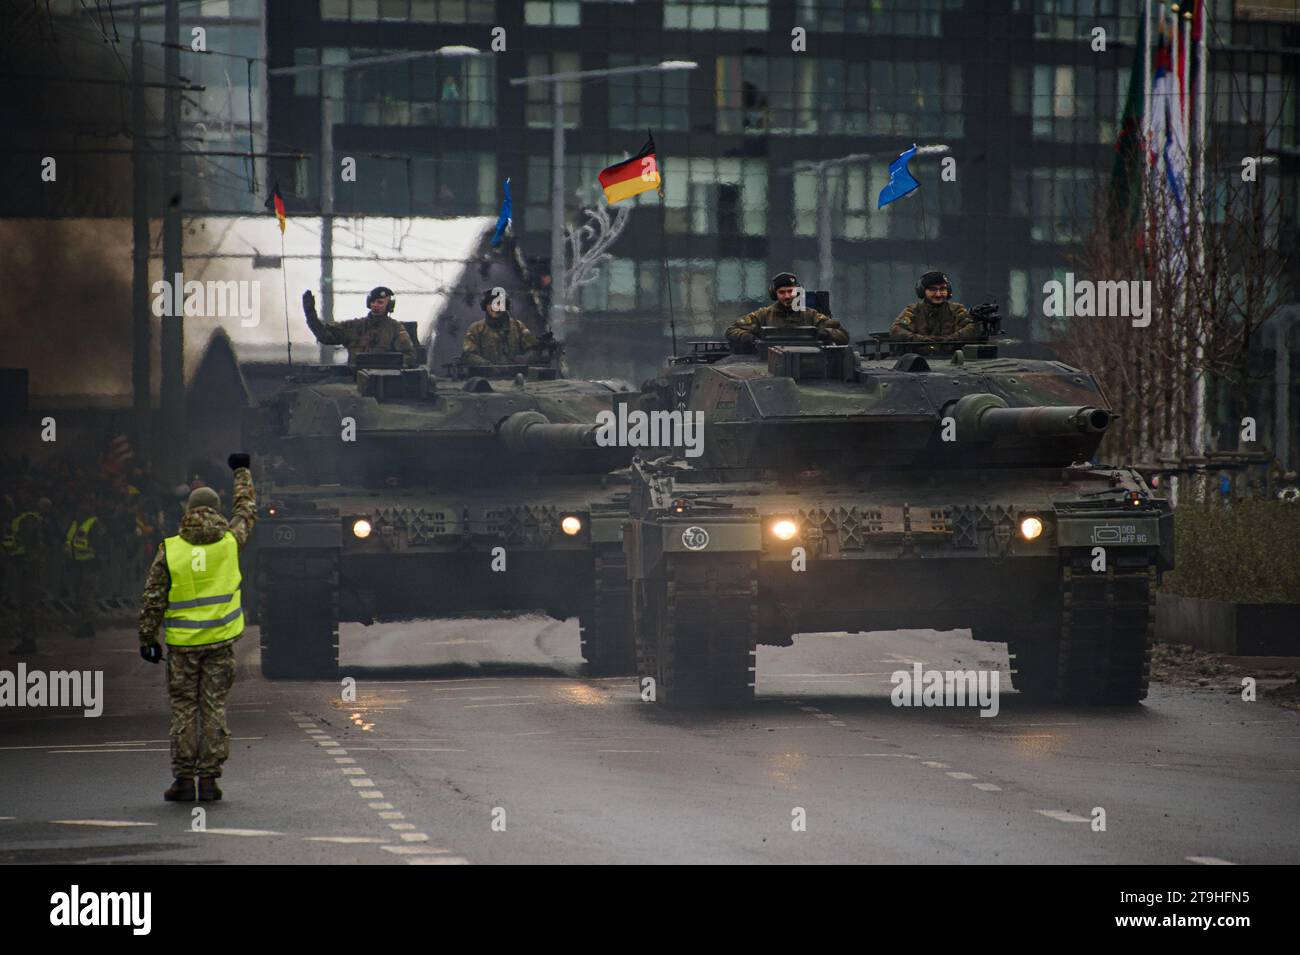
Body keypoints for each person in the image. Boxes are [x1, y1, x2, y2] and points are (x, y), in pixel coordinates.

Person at [138, 453, 256, 803]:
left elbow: (153, 598)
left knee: (184, 708)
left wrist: (148, 639)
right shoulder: (230, 541)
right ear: (216, 510)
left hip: (182, 646)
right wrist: (241, 472)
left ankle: (184, 779)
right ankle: (210, 779)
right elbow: (247, 509)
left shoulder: (171, 549)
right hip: (220, 643)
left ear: (187, 510)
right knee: (214, 707)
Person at [726, 272, 848, 349]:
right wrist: (751, 339)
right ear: (775, 295)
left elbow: (842, 335)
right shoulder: (763, 315)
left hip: (807, 363)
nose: (787, 296)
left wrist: (825, 334)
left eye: (790, 291)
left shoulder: (811, 315)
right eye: (782, 292)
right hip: (769, 364)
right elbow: (732, 330)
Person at [303, 286, 415, 366]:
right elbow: (325, 336)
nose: (375, 305)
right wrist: (310, 313)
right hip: (354, 379)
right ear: (368, 303)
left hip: (384, 382)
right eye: (373, 302)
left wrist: (386, 364)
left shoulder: (395, 328)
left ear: (389, 305)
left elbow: (408, 356)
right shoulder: (355, 326)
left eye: (380, 302)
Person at [3, 495, 52, 655]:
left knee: (27, 604)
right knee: (26, 604)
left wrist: (27, 563)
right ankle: (27, 637)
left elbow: (31, 545)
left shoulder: (29, 519)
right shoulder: (31, 518)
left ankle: (28, 639)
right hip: (28, 566)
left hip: (28, 567)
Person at [889, 271, 979, 342]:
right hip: (918, 359)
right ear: (922, 291)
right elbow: (897, 330)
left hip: (954, 359)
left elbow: (972, 328)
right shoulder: (912, 311)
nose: (938, 294)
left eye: (943, 289)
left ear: (948, 291)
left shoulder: (957, 310)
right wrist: (922, 340)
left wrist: (948, 339)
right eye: (933, 289)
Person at [461, 288, 541, 367]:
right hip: (486, 377)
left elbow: (533, 349)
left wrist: (523, 359)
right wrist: (486, 365)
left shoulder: (518, 326)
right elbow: (468, 354)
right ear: (485, 306)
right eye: (491, 304)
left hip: (515, 375)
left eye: (499, 303)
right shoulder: (476, 329)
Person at [63, 498, 107, 640]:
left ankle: (88, 626)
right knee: (80, 597)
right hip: (77, 565)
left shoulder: (94, 523)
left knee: (86, 597)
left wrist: (95, 559)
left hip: (89, 565)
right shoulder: (76, 523)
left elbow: (100, 545)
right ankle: (83, 624)